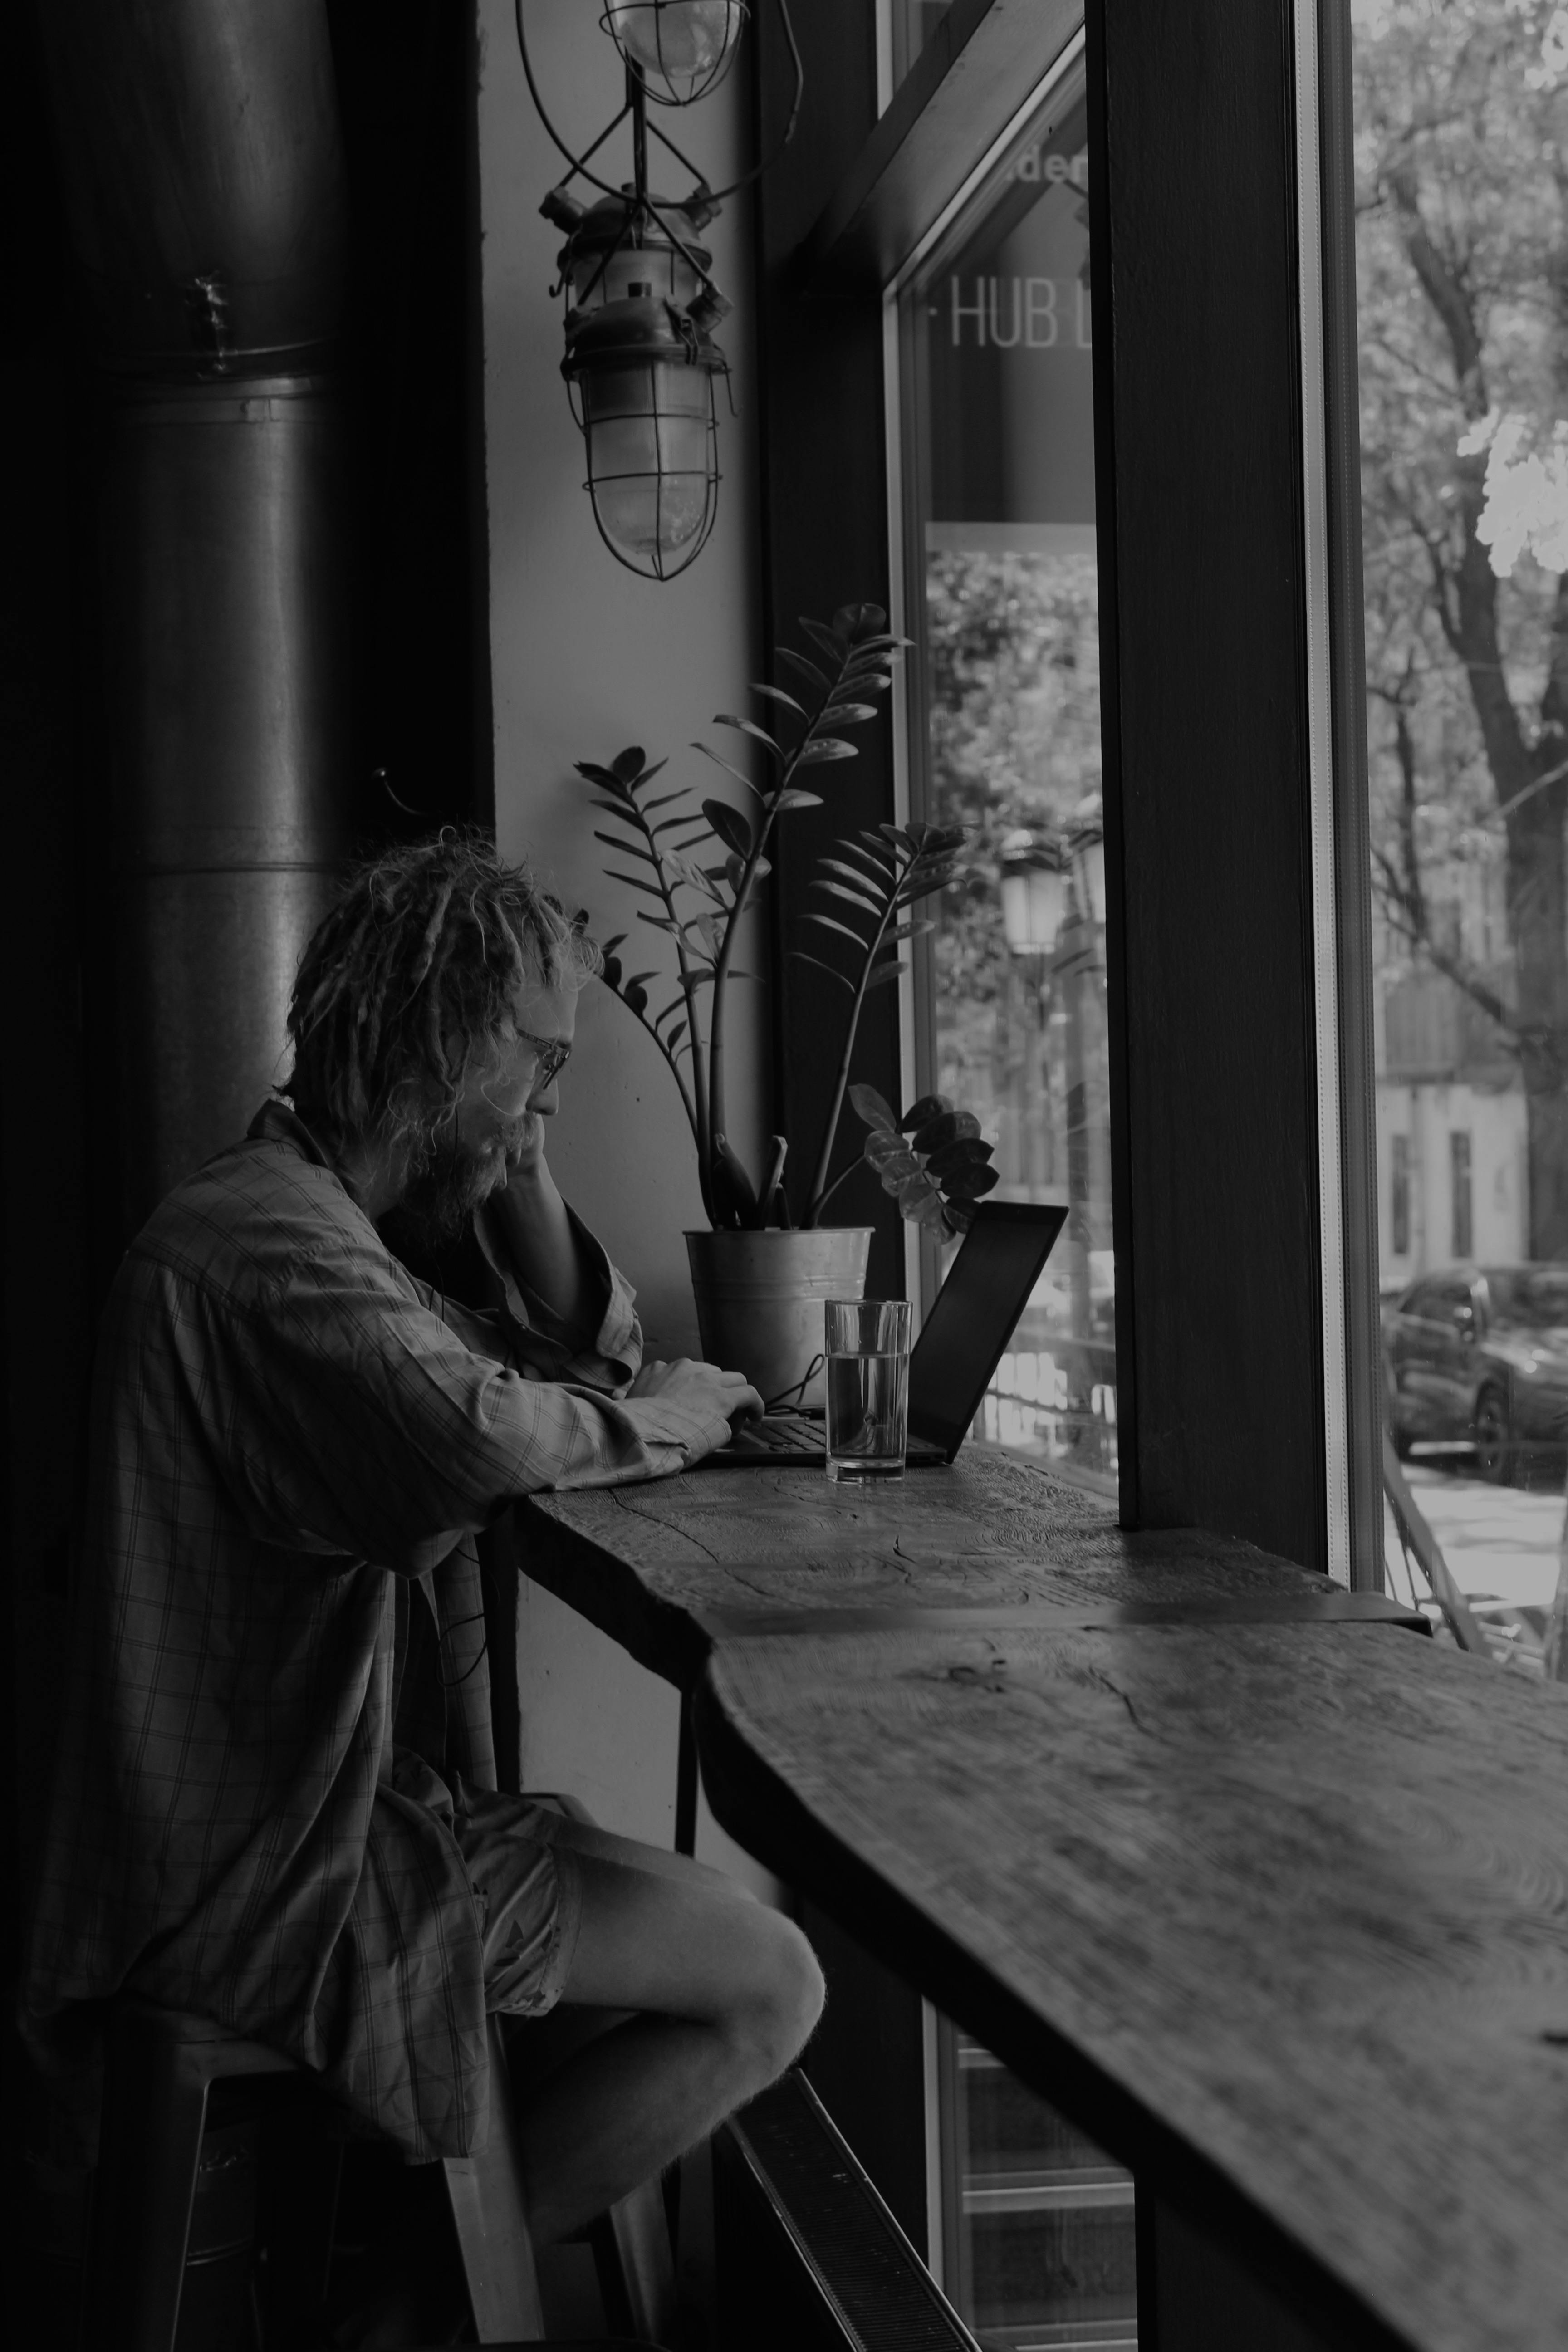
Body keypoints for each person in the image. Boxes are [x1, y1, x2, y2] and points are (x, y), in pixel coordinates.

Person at [20, 833, 824, 2264]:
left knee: (604, 1851)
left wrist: (515, 1150)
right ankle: (393, 2328)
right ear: (445, 1043)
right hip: (253, 1885)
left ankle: (426, 2290)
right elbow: (487, 1436)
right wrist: (680, 1421)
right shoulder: (272, 1248)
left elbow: (558, 1357)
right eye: (540, 1061)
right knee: (774, 1983)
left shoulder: (304, 1217)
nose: (554, 1102)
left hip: (259, 1840)